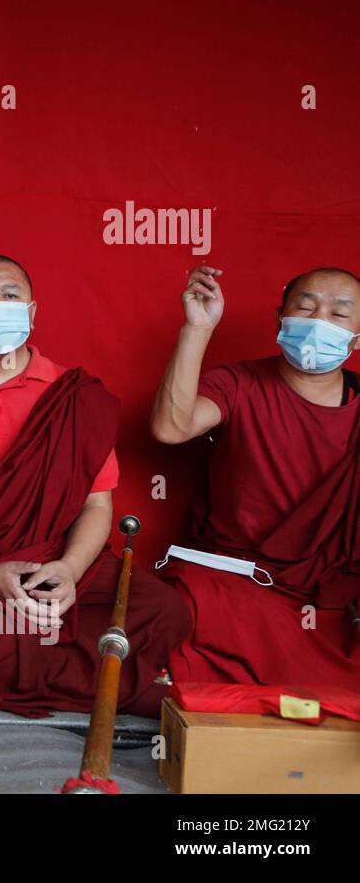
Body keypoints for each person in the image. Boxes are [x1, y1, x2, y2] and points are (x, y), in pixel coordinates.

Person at [0, 255, 190, 716]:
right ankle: (85, 678)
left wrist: (69, 570)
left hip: (55, 562)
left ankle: (7, 673)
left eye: (9, 295)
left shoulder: (72, 396)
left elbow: (95, 506)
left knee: (165, 609)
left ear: (31, 311)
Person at [150, 265, 360, 687]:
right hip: (232, 577)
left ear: (358, 337)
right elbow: (170, 428)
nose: (318, 320)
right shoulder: (237, 383)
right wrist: (198, 329)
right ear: (280, 318)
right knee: (172, 609)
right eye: (305, 306)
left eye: (339, 315)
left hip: (330, 589)